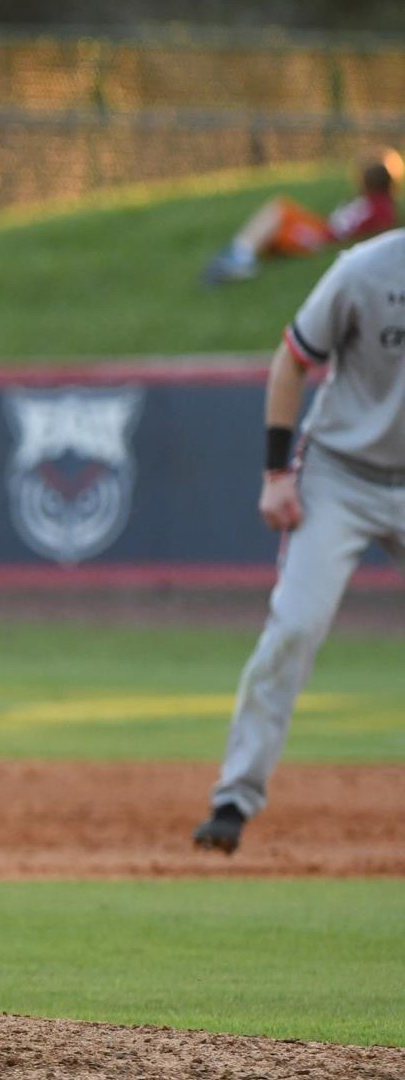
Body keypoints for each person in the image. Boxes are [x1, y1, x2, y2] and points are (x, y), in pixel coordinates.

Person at [194, 227, 405, 854]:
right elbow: (292, 360)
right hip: (341, 473)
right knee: (295, 626)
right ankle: (235, 797)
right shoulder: (364, 271)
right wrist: (276, 474)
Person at [202, 151, 400, 286]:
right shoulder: (366, 200)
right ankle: (239, 254)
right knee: (281, 211)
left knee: (281, 211)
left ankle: (239, 257)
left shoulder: (382, 207)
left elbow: (378, 235)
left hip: (324, 238)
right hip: (324, 230)